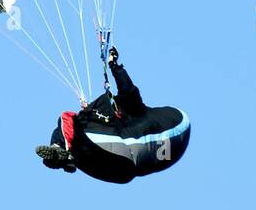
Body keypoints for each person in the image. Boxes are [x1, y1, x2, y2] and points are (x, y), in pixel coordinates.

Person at [35, 49, 190, 184]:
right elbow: (128, 91)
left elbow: (128, 91)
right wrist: (114, 65)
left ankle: (61, 151)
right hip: (117, 169)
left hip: (119, 159)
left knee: (69, 119)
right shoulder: (132, 115)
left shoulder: (136, 112)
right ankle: (63, 156)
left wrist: (115, 66)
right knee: (75, 127)